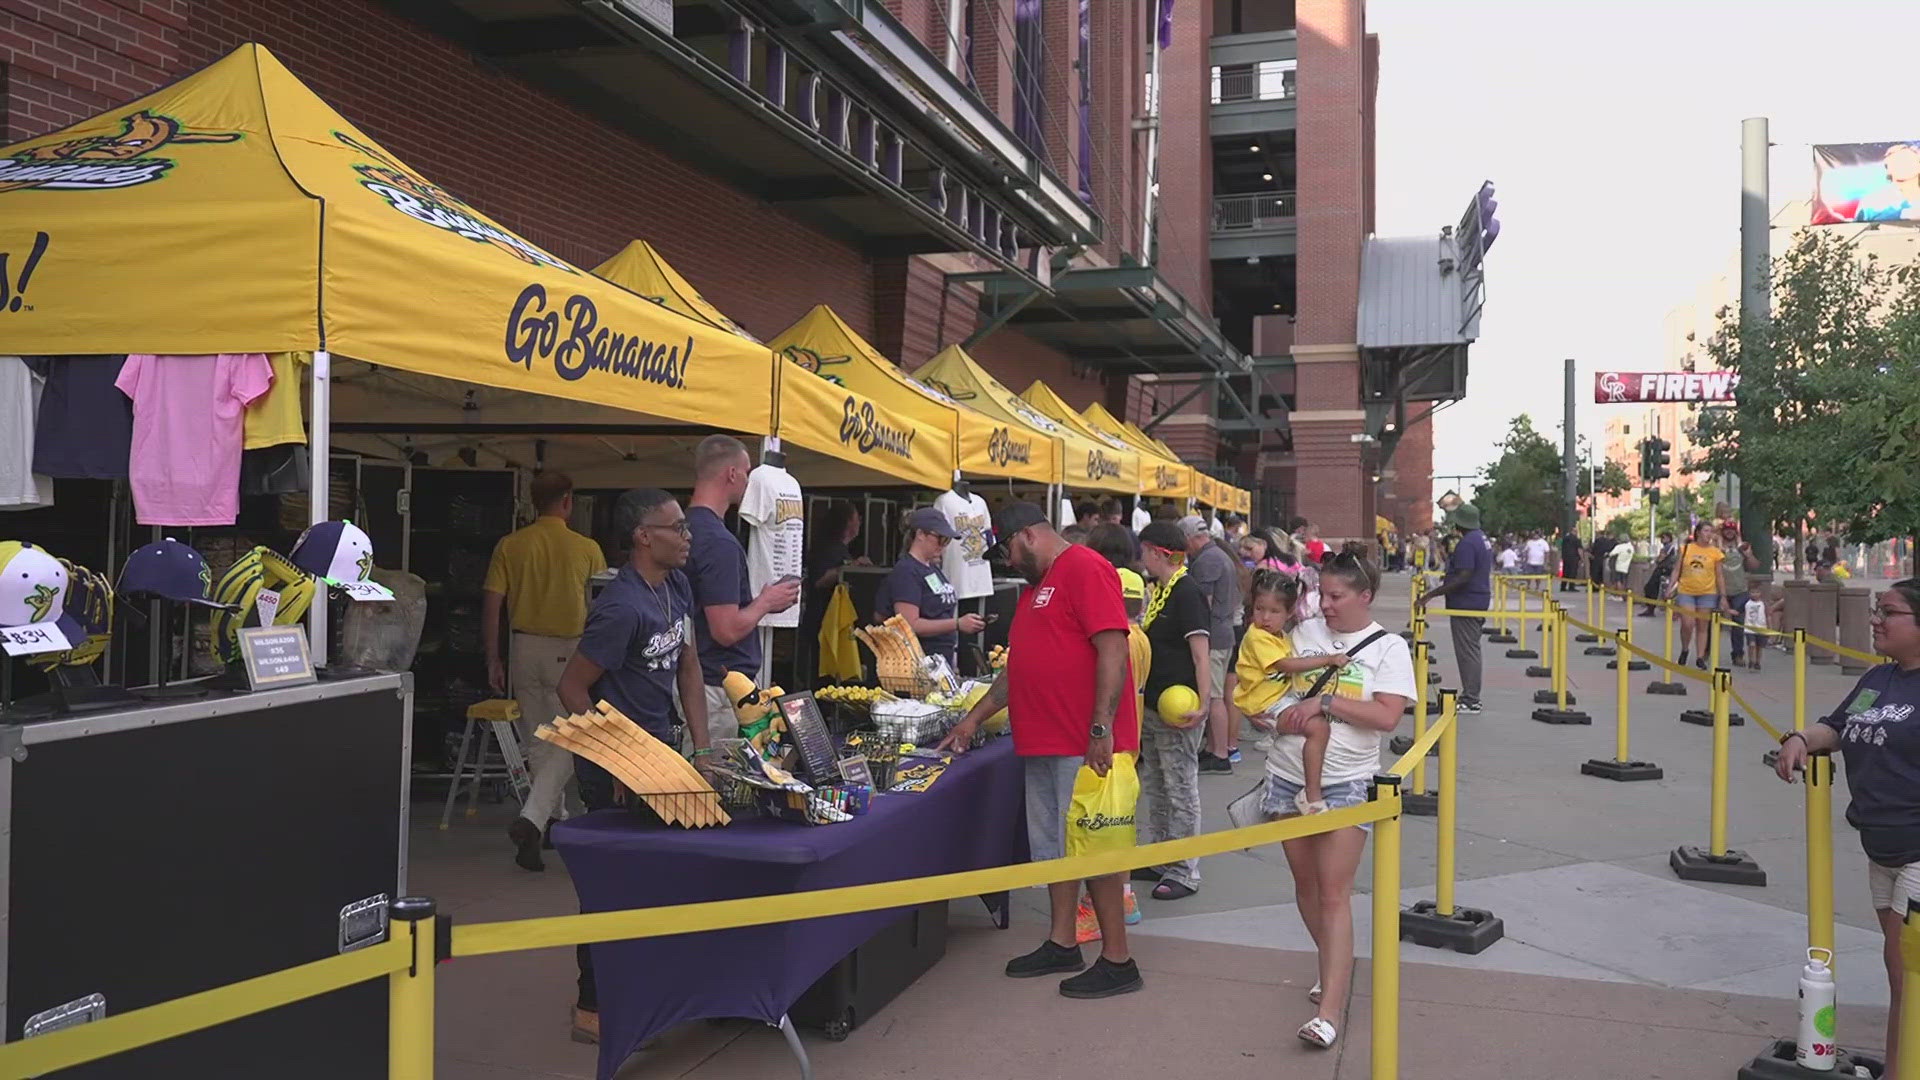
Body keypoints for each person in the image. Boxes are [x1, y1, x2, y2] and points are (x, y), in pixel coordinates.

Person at [939, 503, 1143, 998]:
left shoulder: (1087, 568)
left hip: (1084, 743)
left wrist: (1100, 726)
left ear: (1028, 535)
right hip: (1045, 740)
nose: (1007, 561)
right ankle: (1062, 940)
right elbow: (1020, 668)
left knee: (1094, 850)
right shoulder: (1034, 591)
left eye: (1007, 548)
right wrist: (972, 718)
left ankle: (1118, 958)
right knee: (1054, 850)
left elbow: (1113, 647)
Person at [554, 487, 711, 1045]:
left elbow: (688, 667)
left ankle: (648, 990)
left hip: (662, 754)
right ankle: (592, 1005)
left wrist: (703, 745)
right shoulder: (620, 607)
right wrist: (619, 756)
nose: (687, 537)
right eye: (677, 528)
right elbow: (571, 687)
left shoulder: (677, 587)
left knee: (660, 878)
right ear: (644, 536)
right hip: (613, 770)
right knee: (610, 884)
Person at [1267, 553, 1415, 1049]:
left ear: (1364, 596)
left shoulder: (1389, 648)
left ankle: (1330, 1009)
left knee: (1334, 893)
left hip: (1347, 782)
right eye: (1322, 594)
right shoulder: (1302, 633)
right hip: (1286, 776)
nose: (1324, 605)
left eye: (1336, 596)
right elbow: (1267, 682)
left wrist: (1325, 702)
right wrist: (1268, 712)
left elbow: (1388, 716)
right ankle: (1332, 967)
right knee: (1306, 888)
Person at [1774, 579, 1920, 1079]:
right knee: (1901, 979)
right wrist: (1800, 738)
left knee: (1909, 976)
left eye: (1891, 612)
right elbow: (1838, 728)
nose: (1876, 620)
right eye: (1877, 610)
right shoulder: (1879, 679)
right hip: (1883, 850)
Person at [480, 471, 608, 873]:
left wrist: (493, 657)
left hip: (522, 645)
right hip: (571, 650)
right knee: (575, 736)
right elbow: (603, 606)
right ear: (567, 500)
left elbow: (492, 604)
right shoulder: (586, 548)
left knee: (538, 738)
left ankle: (550, 821)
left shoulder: (511, 545)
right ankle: (540, 819)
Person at [685, 436, 801, 741]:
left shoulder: (682, 526)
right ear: (732, 474)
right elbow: (725, 630)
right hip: (718, 685)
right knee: (714, 781)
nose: (749, 481)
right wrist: (766, 602)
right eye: (747, 472)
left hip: (696, 676)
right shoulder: (718, 541)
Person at [1130, 520, 1212, 900]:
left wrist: (1206, 702)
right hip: (1153, 702)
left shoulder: (1187, 592)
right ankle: (1162, 854)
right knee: (1157, 784)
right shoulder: (1161, 589)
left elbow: (1200, 654)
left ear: (1159, 552)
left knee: (1180, 785)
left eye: (1144, 550)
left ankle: (1184, 868)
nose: (1141, 558)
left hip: (1179, 706)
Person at [1235, 570, 1351, 811]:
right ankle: (1312, 794)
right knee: (1318, 728)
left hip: (1278, 698)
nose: (1265, 617)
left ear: (1289, 613)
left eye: (1274, 611)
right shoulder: (1257, 637)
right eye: (1259, 609)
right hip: (1267, 704)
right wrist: (1328, 659)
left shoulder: (1281, 636)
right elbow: (1284, 665)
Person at [877, 507, 985, 672]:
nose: (943, 546)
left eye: (947, 541)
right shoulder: (907, 571)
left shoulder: (932, 568)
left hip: (941, 661)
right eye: (940, 539)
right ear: (920, 534)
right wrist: (957, 624)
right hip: (919, 664)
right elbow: (910, 625)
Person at [1182, 515, 1242, 774]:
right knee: (1217, 693)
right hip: (1225, 631)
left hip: (1214, 636)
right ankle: (1214, 749)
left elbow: (1201, 603)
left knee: (1215, 696)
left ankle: (1219, 755)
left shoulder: (1206, 562)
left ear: (1192, 538)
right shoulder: (1220, 555)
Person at [1419, 503, 1492, 714]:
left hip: (1467, 602)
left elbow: (1464, 576)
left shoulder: (1468, 543)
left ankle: (1471, 699)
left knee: (1467, 651)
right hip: (1475, 599)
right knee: (1471, 649)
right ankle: (1471, 696)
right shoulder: (1481, 539)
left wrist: (1431, 595)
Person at [800, 500, 867, 679]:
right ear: (848, 522)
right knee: (820, 673)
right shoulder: (826, 548)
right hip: (822, 620)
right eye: (857, 518)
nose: (860, 522)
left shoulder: (842, 549)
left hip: (836, 623)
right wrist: (848, 568)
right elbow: (820, 580)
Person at [1666, 522, 1733, 670]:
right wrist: (1670, 586)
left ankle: (1700, 656)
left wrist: (1723, 596)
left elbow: (1719, 575)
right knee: (1687, 623)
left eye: (1711, 531)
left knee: (1703, 625)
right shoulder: (1686, 549)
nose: (1708, 534)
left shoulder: (1715, 552)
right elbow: (1677, 570)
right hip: (1686, 591)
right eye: (1706, 531)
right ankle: (1685, 648)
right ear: (1698, 532)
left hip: (1707, 592)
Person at [1718, 521, 1760, 669]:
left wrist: (1749, 555)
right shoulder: (1716, 547)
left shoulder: (1743, 547)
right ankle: (1704, 652)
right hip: (1718, 590)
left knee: (1738, 623)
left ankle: (1738, 654)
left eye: (1732, 530)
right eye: (1726, 529)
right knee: (1711, 622)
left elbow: (1755, 566)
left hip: (1740, 591)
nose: (1729, 532)